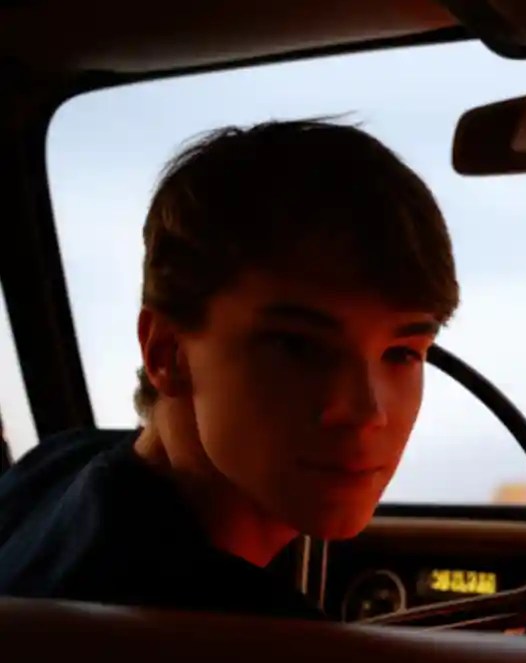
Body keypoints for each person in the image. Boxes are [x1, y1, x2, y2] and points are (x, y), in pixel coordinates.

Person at [0, 119, 458, 619]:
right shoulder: (249, 653)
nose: (367, 412)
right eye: (299, 347)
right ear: (167, 353)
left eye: (403, 353)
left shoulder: (53, 470)